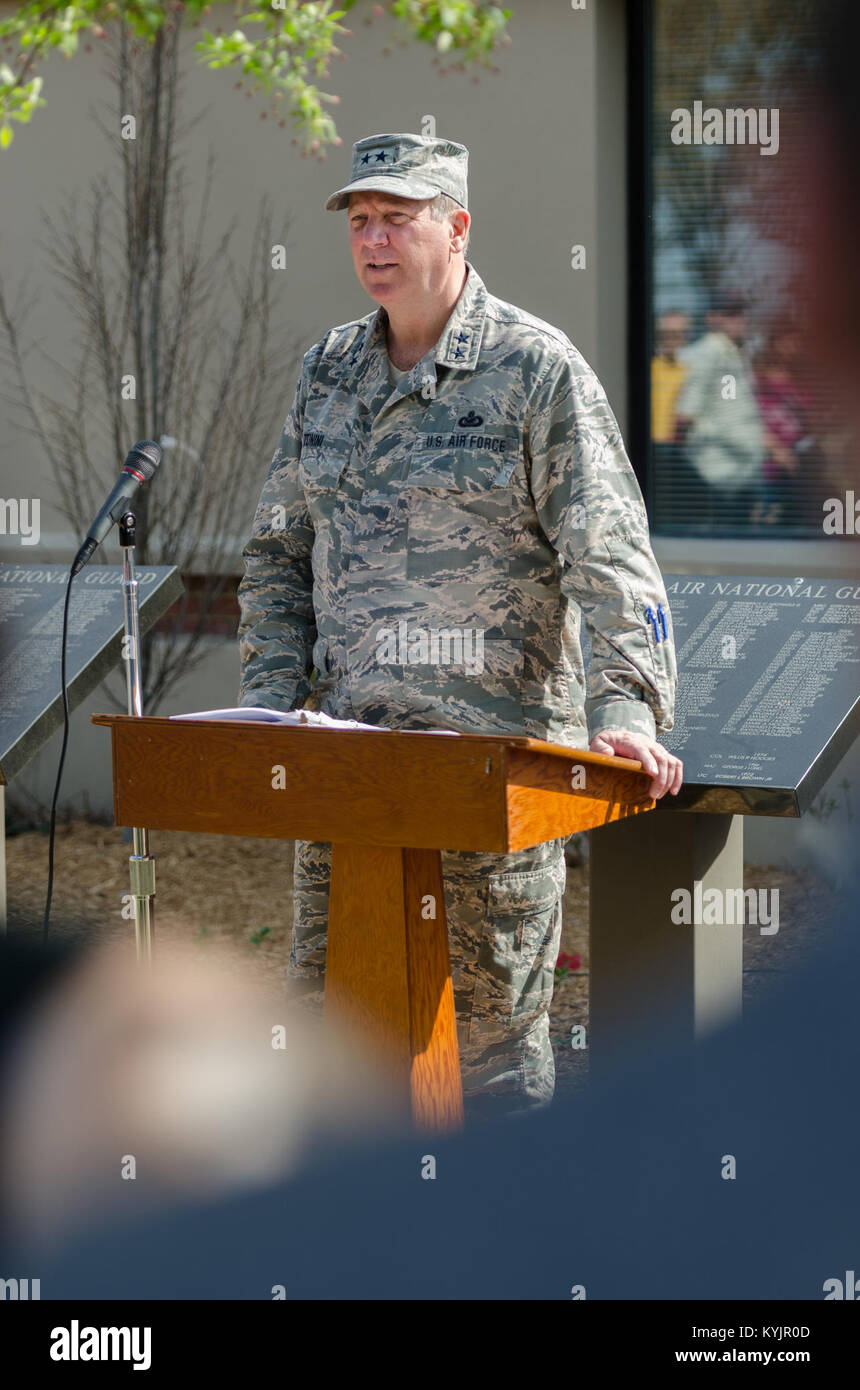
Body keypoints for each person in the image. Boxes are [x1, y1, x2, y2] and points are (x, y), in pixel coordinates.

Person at [237, 132, 682, 1119]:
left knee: (487, 1067)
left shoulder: (535, 372)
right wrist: (267, 709)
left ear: (457, 225)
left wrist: (631, 710)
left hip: (493, 779)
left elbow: (612, 560)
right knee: (336, 1042)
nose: (374, 238)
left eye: (397, 217)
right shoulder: (325, 375)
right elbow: (275, 551)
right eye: (359, 221)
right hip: (351, 777)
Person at [673, 292, 765, 529]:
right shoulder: (709, 351)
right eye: (732, 314)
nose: (741, 320)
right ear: (712, 318)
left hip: (738, 473)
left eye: (742, 313)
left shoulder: (733, 352)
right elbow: (686, 413)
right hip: (717, 473)